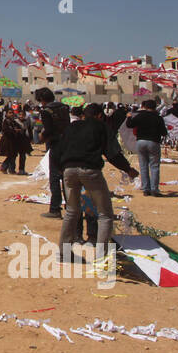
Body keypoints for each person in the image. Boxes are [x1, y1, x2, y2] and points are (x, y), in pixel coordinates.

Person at [57, 102, 138, 261]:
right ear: (100, 115)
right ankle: (102, 258)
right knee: (105, 214)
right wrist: (128, 169)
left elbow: (58, 150)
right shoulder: (101, 127)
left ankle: (63, 253)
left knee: (72, 211)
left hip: (68, 169)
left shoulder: (72, 127)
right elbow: (112, 153)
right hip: (90, 171)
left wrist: (62, 169)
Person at [34, 88, 71, 218]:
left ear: (41, 99)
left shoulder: (46, 111)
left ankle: (55, 209)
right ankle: (71, 207)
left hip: (55, 144)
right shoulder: (64, 107)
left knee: (55, 177)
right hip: (67, 143)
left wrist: (42, 136)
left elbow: (48, 130)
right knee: (67, 176)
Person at [127, 98, 167, 196]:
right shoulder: (158, 118)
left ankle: (146, 189)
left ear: (145, 107)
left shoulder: (140, 116)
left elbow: (130, 125)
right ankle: (154, 189)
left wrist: (129, 117)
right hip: (153, 142)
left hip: (140, 142)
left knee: (143, 166)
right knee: (154, 166)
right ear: (155, 107)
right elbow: (164, 132)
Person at [0, 109, 31, 174]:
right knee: (11, 155)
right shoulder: (7, 121)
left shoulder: (14, 121)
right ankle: (5, 167)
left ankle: (11, 169)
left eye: (12, 113)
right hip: (8, 141)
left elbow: (27, 130)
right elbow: (5, 130)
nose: (11, 114)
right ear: (6, 114)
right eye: (10, 113)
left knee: (14, 155)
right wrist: (14, 131)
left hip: (17, 141)